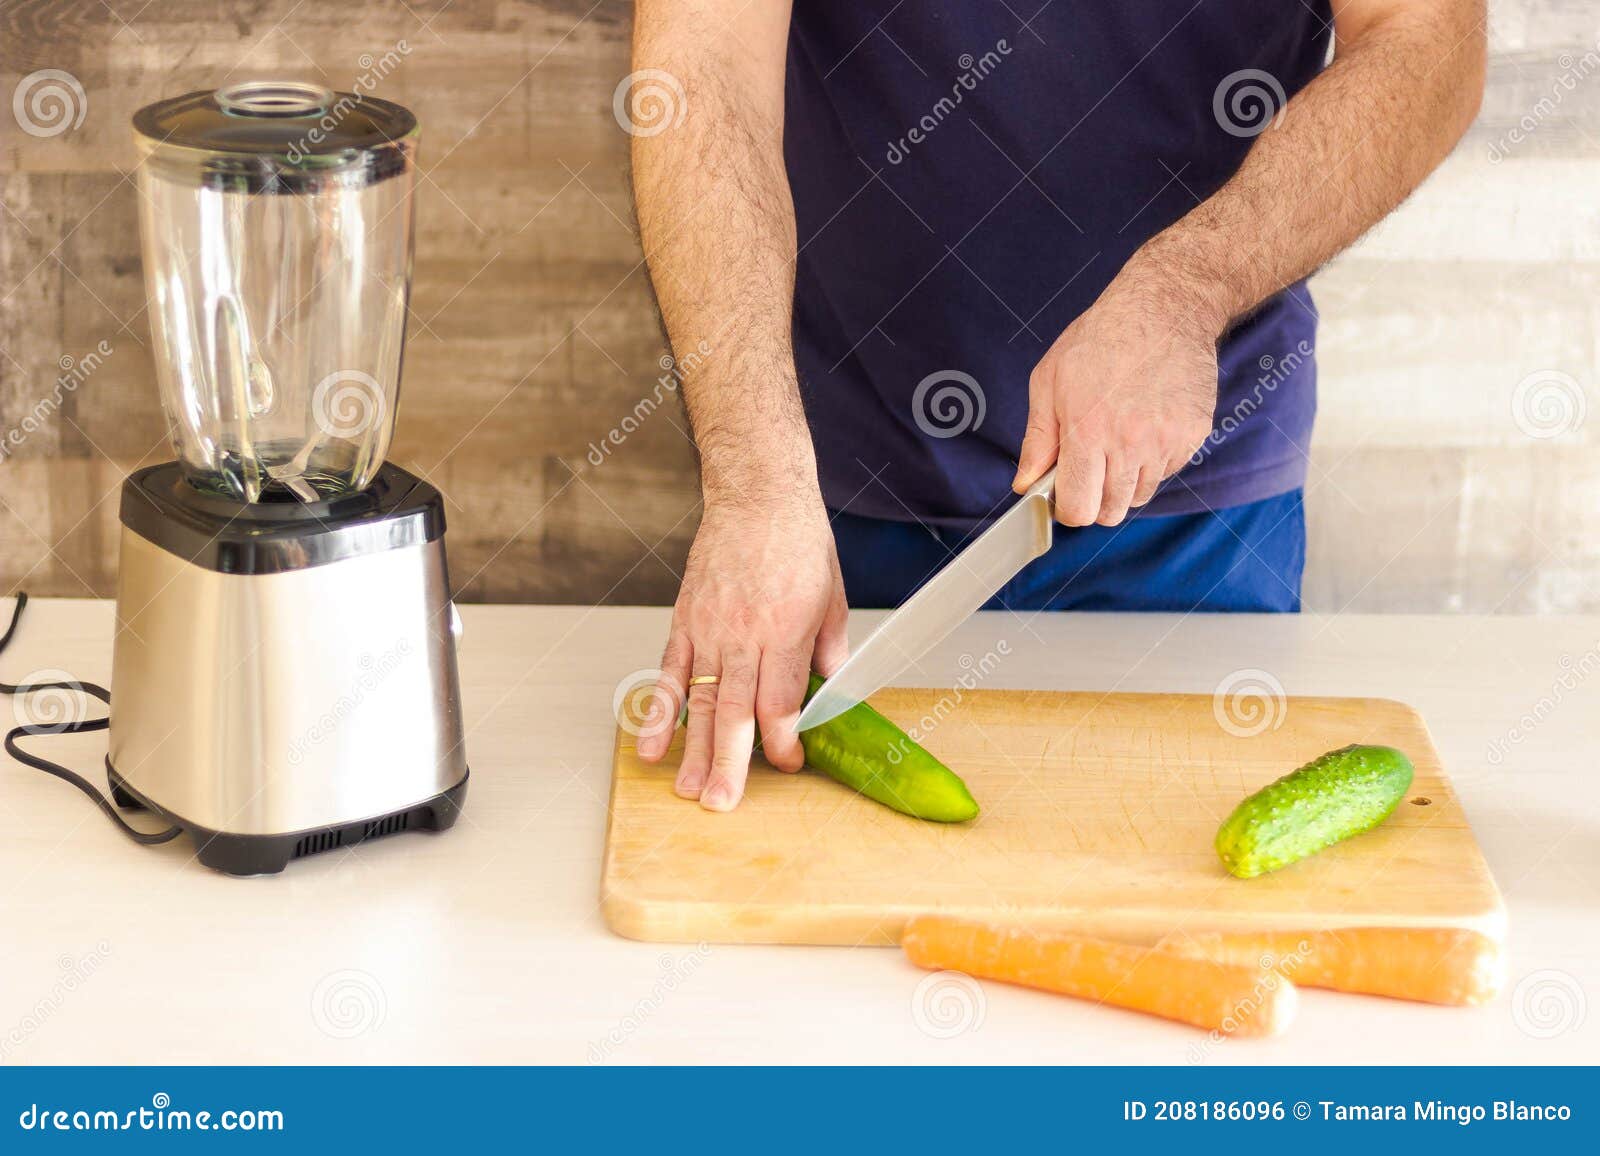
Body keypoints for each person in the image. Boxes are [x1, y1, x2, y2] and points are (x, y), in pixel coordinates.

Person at [627, 1, 1485, 811]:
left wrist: (1189, 287)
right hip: (823, 500)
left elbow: (1425, 38)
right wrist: (756, 481)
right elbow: (701, 65)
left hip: (1195, 500)